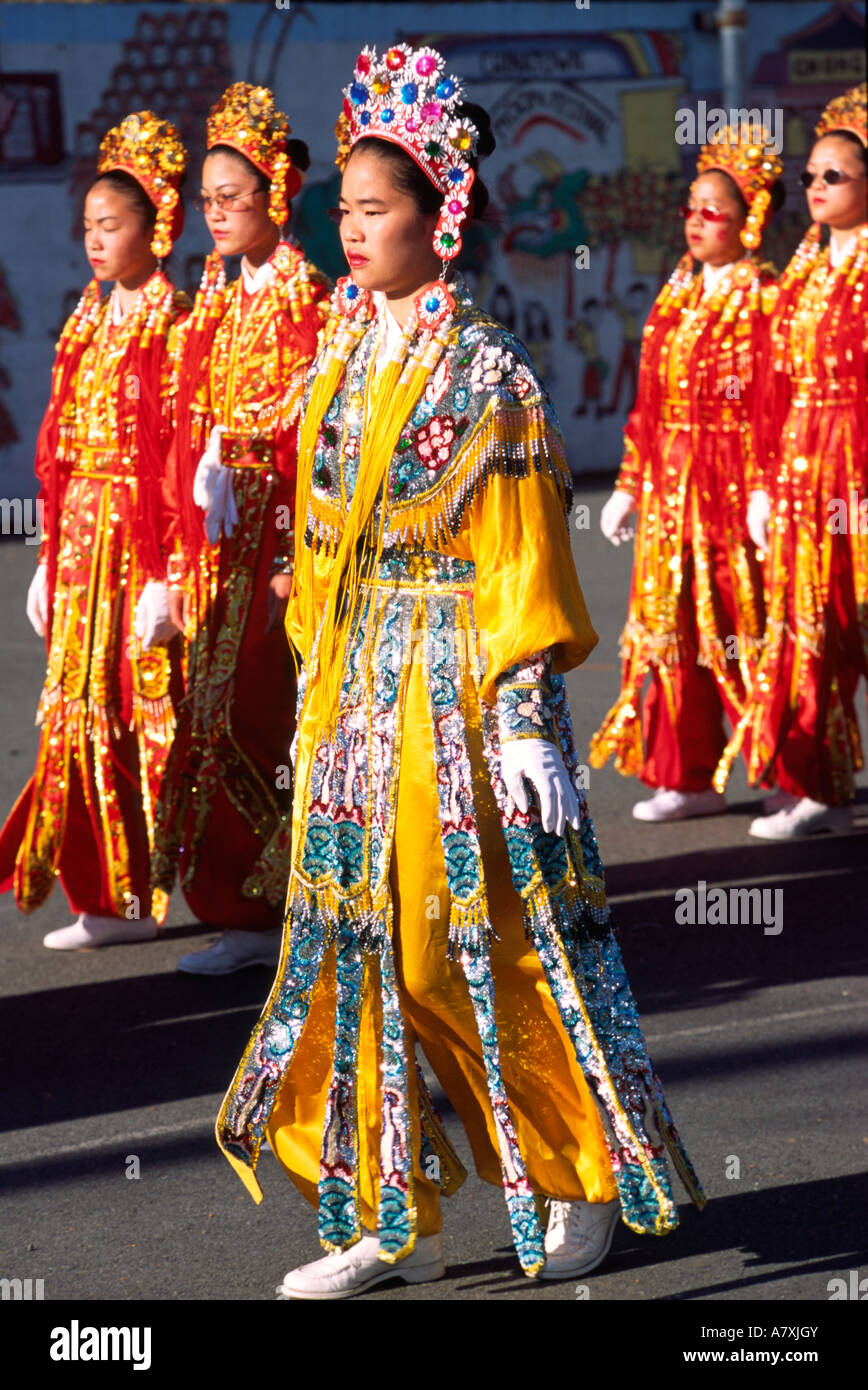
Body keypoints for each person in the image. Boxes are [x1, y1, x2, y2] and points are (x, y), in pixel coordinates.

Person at [216, 44, 704, 1300]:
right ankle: (383, 1207)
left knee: (463, 945)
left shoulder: (490, 371)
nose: (353, 227)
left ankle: (567, 1171)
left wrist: (531, 713)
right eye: (348, 208)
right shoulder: (337, 353)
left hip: (455, 688)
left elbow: (520, 553)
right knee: (348, 948)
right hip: (356, 690)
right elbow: (317, 511)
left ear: (442, 224)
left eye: (377, 211)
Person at [152, 84, 331, 974]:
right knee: (209, 713)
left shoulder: (312, 300)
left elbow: (324, 422)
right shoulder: (213, 298)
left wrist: (247, 448)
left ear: (276, 199)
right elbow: (185, 418)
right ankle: (242, 907)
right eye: (207, 200)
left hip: (282, 541)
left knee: (271, 713)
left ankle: (284, 906)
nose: (216, 215)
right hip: (218, 543)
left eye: (234, 198)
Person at [0, 112, 189, 948]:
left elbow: (176, 454)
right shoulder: (89, 316)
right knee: (71, 709)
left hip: (140, 540)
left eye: (111, 226)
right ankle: (100, 893)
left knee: (137, 708)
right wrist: (47, 555)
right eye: (87, 228)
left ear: (155, 230)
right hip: (79, 539)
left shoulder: (173, 319)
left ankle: (141, 891)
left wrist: (168, 569)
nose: (95, 242)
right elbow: (58, 445)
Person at [590, 129, 783, 822]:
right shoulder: (676, 294)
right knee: (668, 627)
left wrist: (765, 487)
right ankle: (687, 774)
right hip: (673, 489)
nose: (696, 222)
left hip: (735, 487)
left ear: (749, 220)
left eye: (713, 210)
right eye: (691, 208)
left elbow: (773, 402)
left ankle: (789, 775)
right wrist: (628, 484)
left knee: (747, 623)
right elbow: (650, 400)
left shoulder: (765, 298)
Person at [715, 85, 867, 838]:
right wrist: (766, 486)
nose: (815, 187)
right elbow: (774, 391)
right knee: (809, 624)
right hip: (806, 467)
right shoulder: (802, 273)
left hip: (860, 466)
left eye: (833, 175)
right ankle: (822, 787)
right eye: (810, 175)